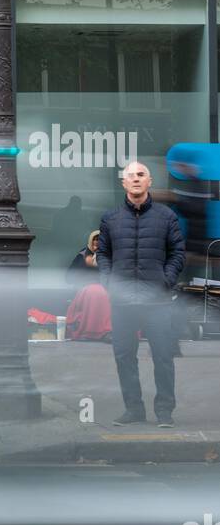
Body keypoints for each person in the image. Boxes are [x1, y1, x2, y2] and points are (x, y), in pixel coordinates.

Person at [96, 161, 186, 427]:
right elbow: (103, 254)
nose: (135, 179)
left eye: (141, 175)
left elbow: (177, 253)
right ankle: (134, 410)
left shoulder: (166, 216)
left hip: (156, 300)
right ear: (123, 183)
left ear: (149, 182)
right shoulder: (110, 218)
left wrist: (165, 281)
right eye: (130, 176)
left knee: (163, 356)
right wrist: (108, 281)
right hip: (122, 300)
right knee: (124, 356)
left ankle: (164, 412)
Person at [64, 230, 112, 341]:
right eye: (95, 239)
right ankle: (90, 331)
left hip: (105, 288)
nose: (97, 242)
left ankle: (108, 331)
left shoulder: (109, 256)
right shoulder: (83, 255)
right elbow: (69, 277)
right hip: (86, 290)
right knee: (94, 292)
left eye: (100, 240)